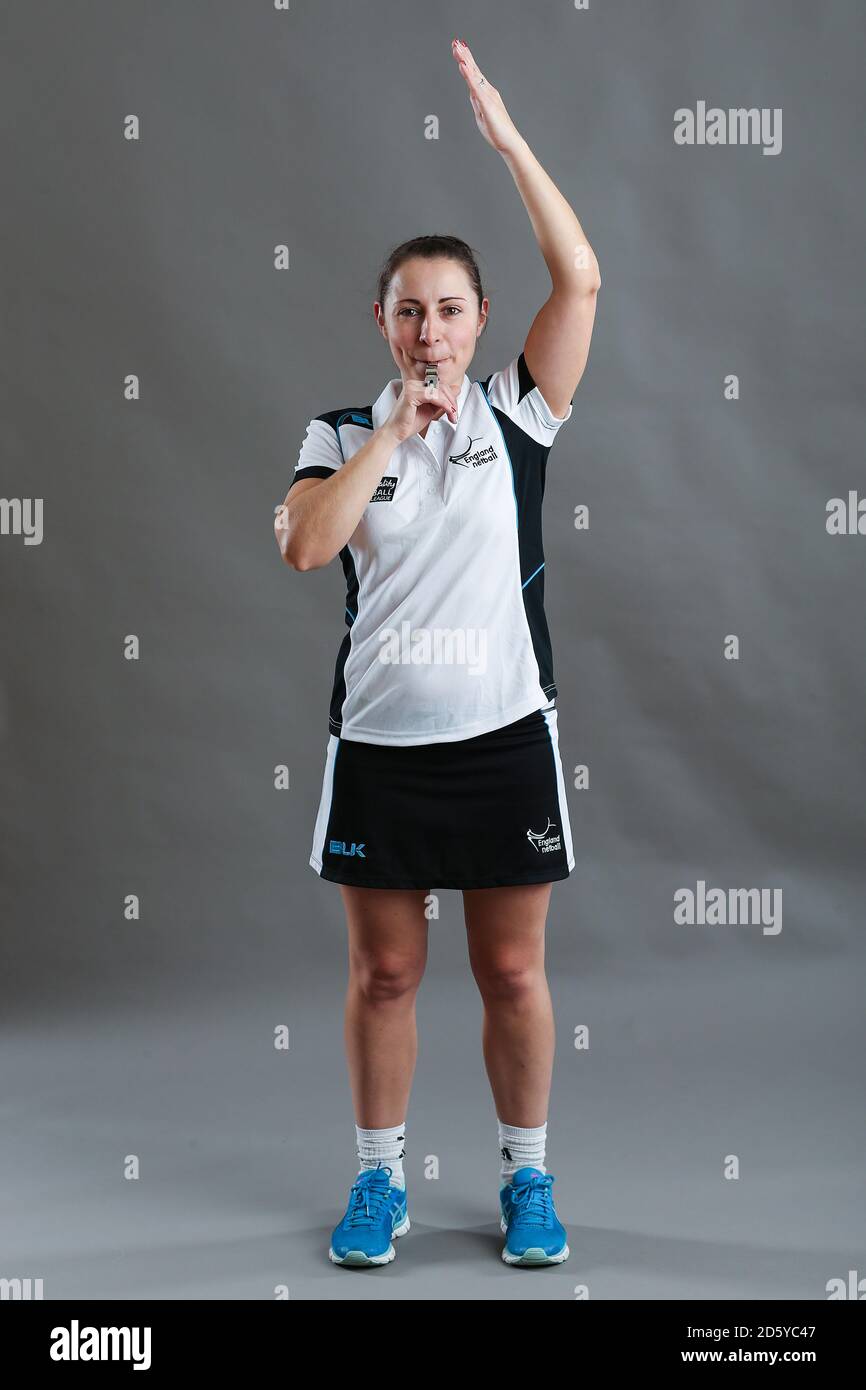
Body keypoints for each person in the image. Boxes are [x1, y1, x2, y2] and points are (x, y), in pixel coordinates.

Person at [274, 37, 600, 1269]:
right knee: (387, 979)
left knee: (512, 977)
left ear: (476, 322)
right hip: (382, 747)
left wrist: (510, 145)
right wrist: (387, 436)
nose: (429, 329)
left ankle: (527, 1180)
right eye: (408, 310)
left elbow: (580, 277)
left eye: (450, 310)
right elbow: (307, 547)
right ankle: (378, 1185)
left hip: (506, 735)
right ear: (383, 320)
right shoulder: (339, 427)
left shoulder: (519, 416)